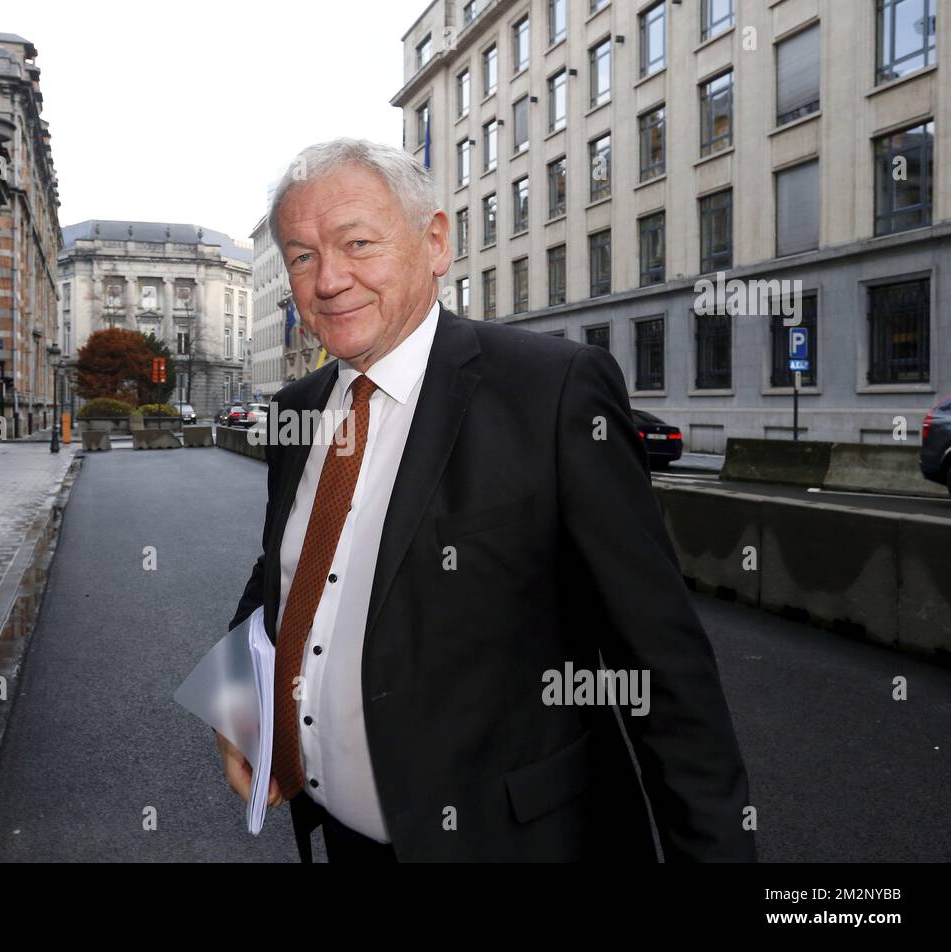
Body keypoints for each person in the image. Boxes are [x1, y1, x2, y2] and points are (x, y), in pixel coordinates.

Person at [215, 138, 755, 863]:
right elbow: (281, 572)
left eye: (358, 243)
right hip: (341, 840)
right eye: (303, 256)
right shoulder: (297, 409)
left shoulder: (555, 391)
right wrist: (240, 700)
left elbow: (663, 669)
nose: (330, 280)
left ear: (435, 242)